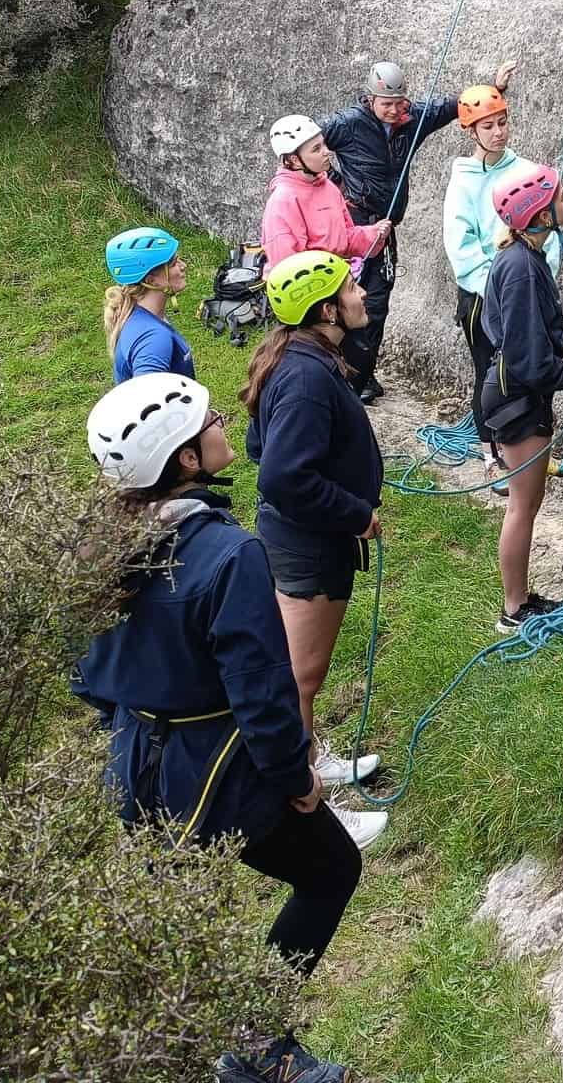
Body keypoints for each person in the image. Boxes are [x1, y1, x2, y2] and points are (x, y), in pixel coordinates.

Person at [75, 372, 358, 1083]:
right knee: (330, 868)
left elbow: (85, 673)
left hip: (135, 764)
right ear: (188, 461)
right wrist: (297, 778)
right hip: (216, 768)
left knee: (170, 917)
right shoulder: (229, 554)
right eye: (209, 419)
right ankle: (261, 1044)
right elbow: (262, 694)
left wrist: (130, 722)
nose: (224, 420)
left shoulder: (101, 543)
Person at [242, 250, 390, 844]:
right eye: (351, 287)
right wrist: (355, 513)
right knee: (299, 678)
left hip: (303, 539)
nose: (360, 294)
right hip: (308, 547)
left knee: (303, 674)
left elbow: (259, 448)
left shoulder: (299, 358)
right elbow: (279, 475)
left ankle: (309, 762)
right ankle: (312, 812)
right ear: (326, 310)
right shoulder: (304, 377)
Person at [321, 56, 517, 402]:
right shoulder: (349, 123)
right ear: (370, 99)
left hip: (384, 229)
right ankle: (344, 378)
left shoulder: (412, 119)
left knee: (376, 304)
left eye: (400, 103)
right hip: (354, 224)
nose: (395, 110)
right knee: (346, 302)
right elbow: (306, 144)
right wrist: (335, 182)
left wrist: (494, 89)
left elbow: (453, 106)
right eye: (387, 104)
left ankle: (362, 376)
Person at [441, 83, 563, 480]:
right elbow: (460, 246)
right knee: (491, 370)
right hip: (482, 293)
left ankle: (534, 447)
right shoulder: (462, 180)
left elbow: (550, 231)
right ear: (470, 131)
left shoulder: (525, 171)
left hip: (525, 284)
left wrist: (540, 277)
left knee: (533, 364)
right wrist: (495, 285)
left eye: (503, 122)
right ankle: (491, 450)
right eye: (488, 126)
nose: (499, 132)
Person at [478, 161, 563, 631]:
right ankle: (513, 609)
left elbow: (524, 337)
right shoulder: (521, 268)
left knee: (526, 502)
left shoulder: (525, 258)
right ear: (539, 214)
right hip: (517, 400)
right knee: (523, 504)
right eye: (560, 195)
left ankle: (518, 599)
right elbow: (528, 360)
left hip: (516, 394)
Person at [261, 114, 389, 400]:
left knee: (357, 362)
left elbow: (344, 237)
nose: (326, 152)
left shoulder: (329, 188)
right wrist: (317, 312)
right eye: (316, 149)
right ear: (292, 160)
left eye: (323, 145)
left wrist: (373, 235)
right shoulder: (283, 201)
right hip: (313, 307)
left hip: (337, 293)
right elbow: (287, 269)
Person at [102, 226, 194, 383]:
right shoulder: (154, 339)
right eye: (173, 264)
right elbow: (148, 399)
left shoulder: (141, 314)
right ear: (151, 280)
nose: (183, 265)